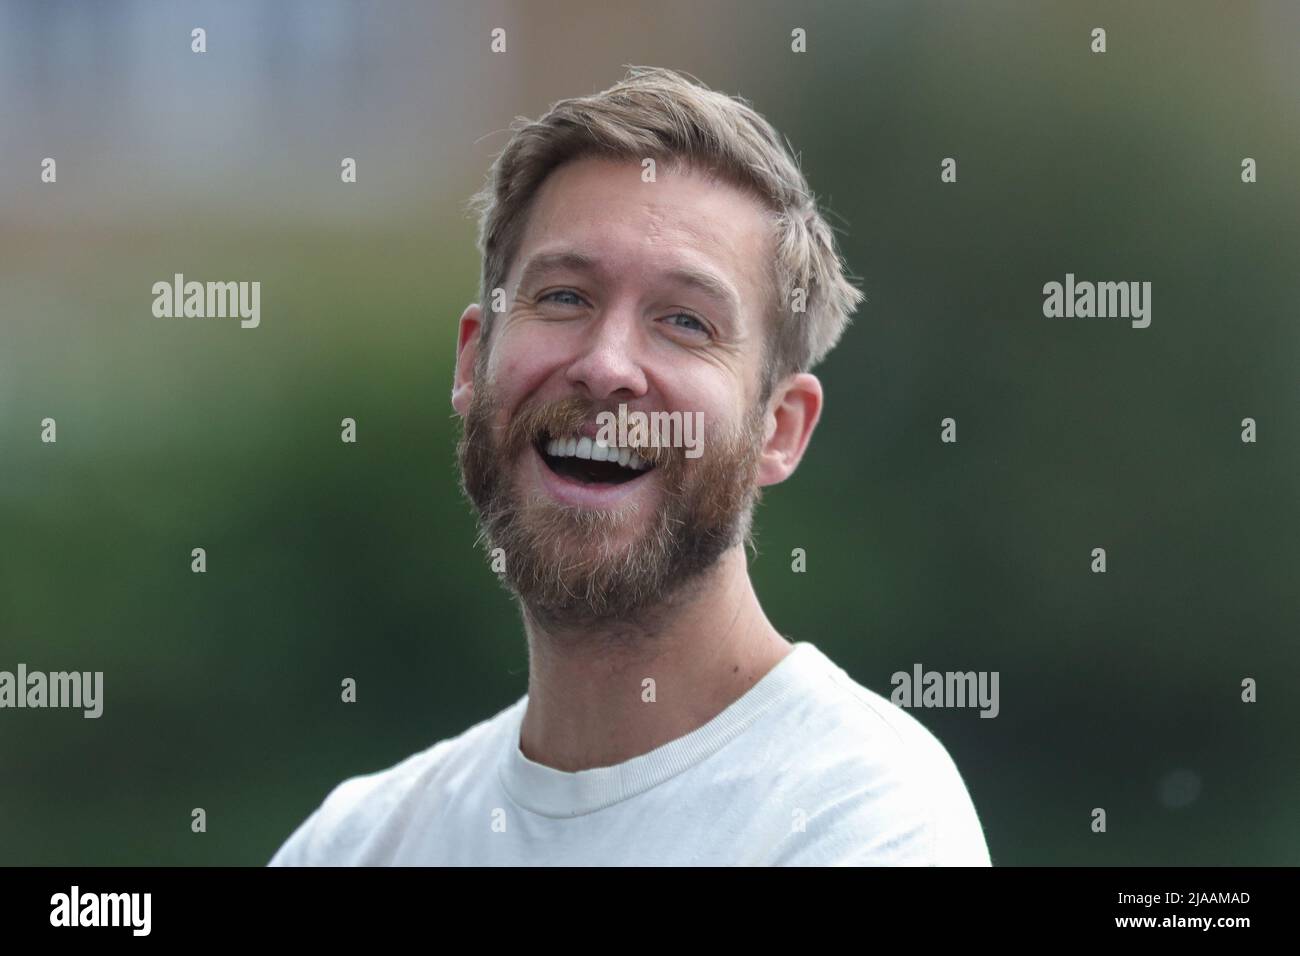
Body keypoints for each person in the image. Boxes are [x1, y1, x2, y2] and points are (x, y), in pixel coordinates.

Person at [269, 66, 991, 866]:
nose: (607, 365)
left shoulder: (863, 822)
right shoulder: (357, 842)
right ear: (474, 362)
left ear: (779, 430)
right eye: (564, 298)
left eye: (685, 321)